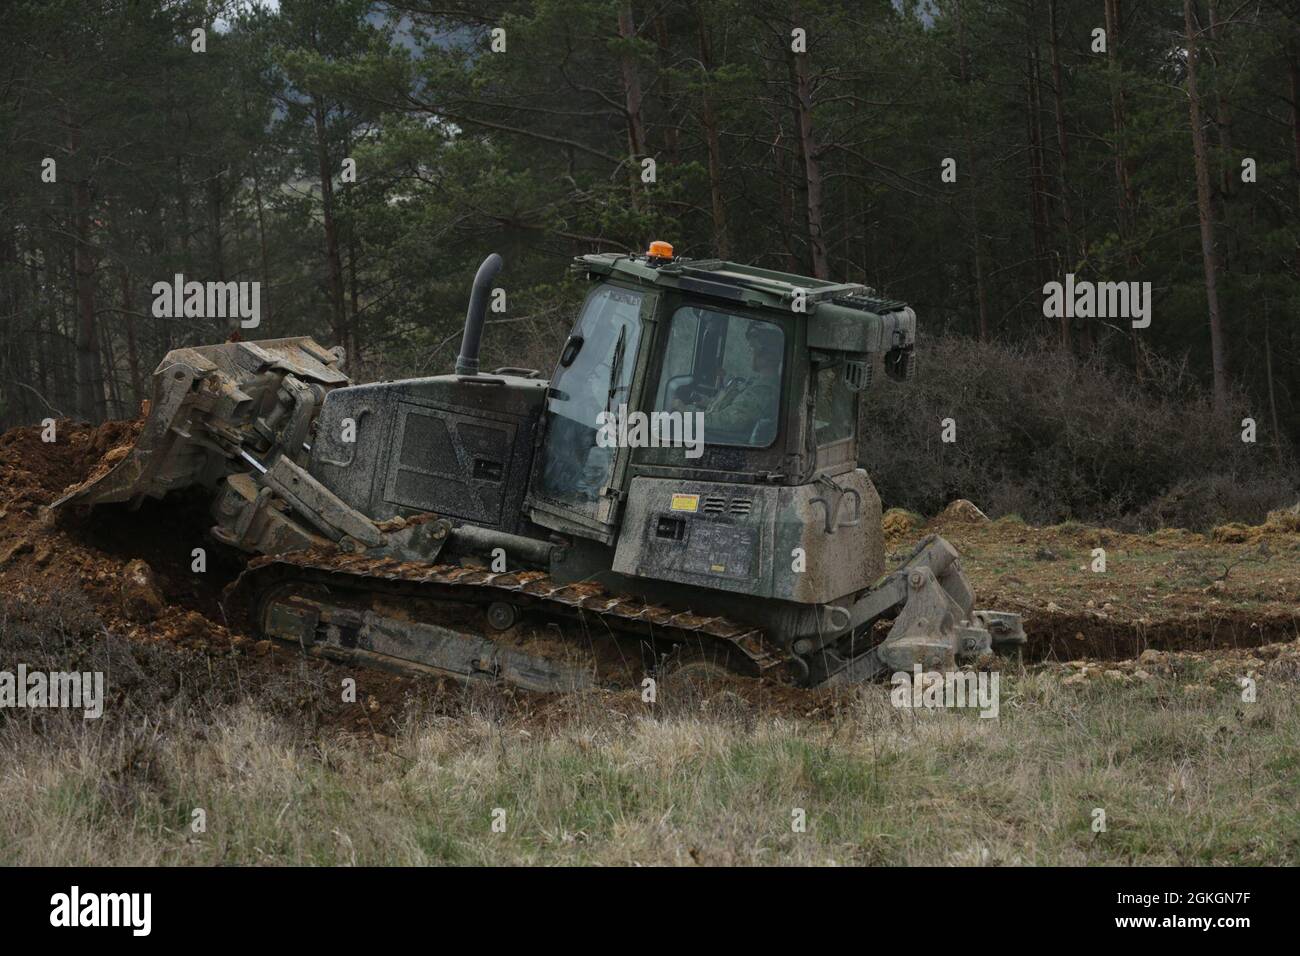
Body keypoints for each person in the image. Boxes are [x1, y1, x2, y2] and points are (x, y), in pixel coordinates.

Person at [675, 321, 782, 442]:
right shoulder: (756, 383)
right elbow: (733, 406)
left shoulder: (763, 391)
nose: (750, 352)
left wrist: (686, 412)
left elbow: (729, 420)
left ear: (769, 356)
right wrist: (704, 401)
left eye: (753, 348)